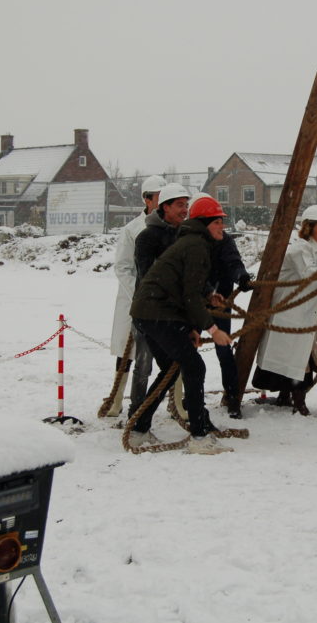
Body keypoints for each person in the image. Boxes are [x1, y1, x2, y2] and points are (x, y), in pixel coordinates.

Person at [129, 195, 234, 454]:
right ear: (205, 223)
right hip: (157, 312)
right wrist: (213, 329)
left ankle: (138, 431)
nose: (222, 227)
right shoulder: (197, 245)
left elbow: (189, 288)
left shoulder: (193, 242)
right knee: (194, 366)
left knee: (170, 370)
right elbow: (189, 295)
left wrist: (207, 299)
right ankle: (199, 437)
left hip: (151, 311)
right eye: (218, 222)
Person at [254, 205, 317, 416]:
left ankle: (286, 396)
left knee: (300, 358)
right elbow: (312, 277)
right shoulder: (299, 249)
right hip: (290, 314)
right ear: (309, 228)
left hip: (306, 313)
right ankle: (298, 402)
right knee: (297, 359)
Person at [125, 182, 191, 428]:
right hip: (151, 313)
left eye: (186, 205)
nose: (184, 210)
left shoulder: (182, 234)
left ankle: (143, 418)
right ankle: (137, 413)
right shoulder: (147, 237)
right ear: (164, 207)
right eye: (179, 205)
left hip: (173, 313)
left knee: (173, 368)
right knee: (147, 365)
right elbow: (150, 275)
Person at [103, 174, 166, 417]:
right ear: (146, 200)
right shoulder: (132, 229)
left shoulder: (172, 228)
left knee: (167, 353)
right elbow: (122, 267)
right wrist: (140, 292)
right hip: (134, 300)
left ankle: (176, 401)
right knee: (127, 352)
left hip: (163, 302)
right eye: (159, 198)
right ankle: (117, 399)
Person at [194, 193, 252, 419]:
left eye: (221, 220)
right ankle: (187, 398)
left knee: (224, 351)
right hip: (195, 303)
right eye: (216, 221)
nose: (222, 225)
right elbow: (194, 274)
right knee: (189, 349)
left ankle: (233, 398)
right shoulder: (192, 243)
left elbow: (233, 261)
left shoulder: (225, 241)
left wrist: (242, 277)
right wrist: (208, 291)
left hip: (220, 303)